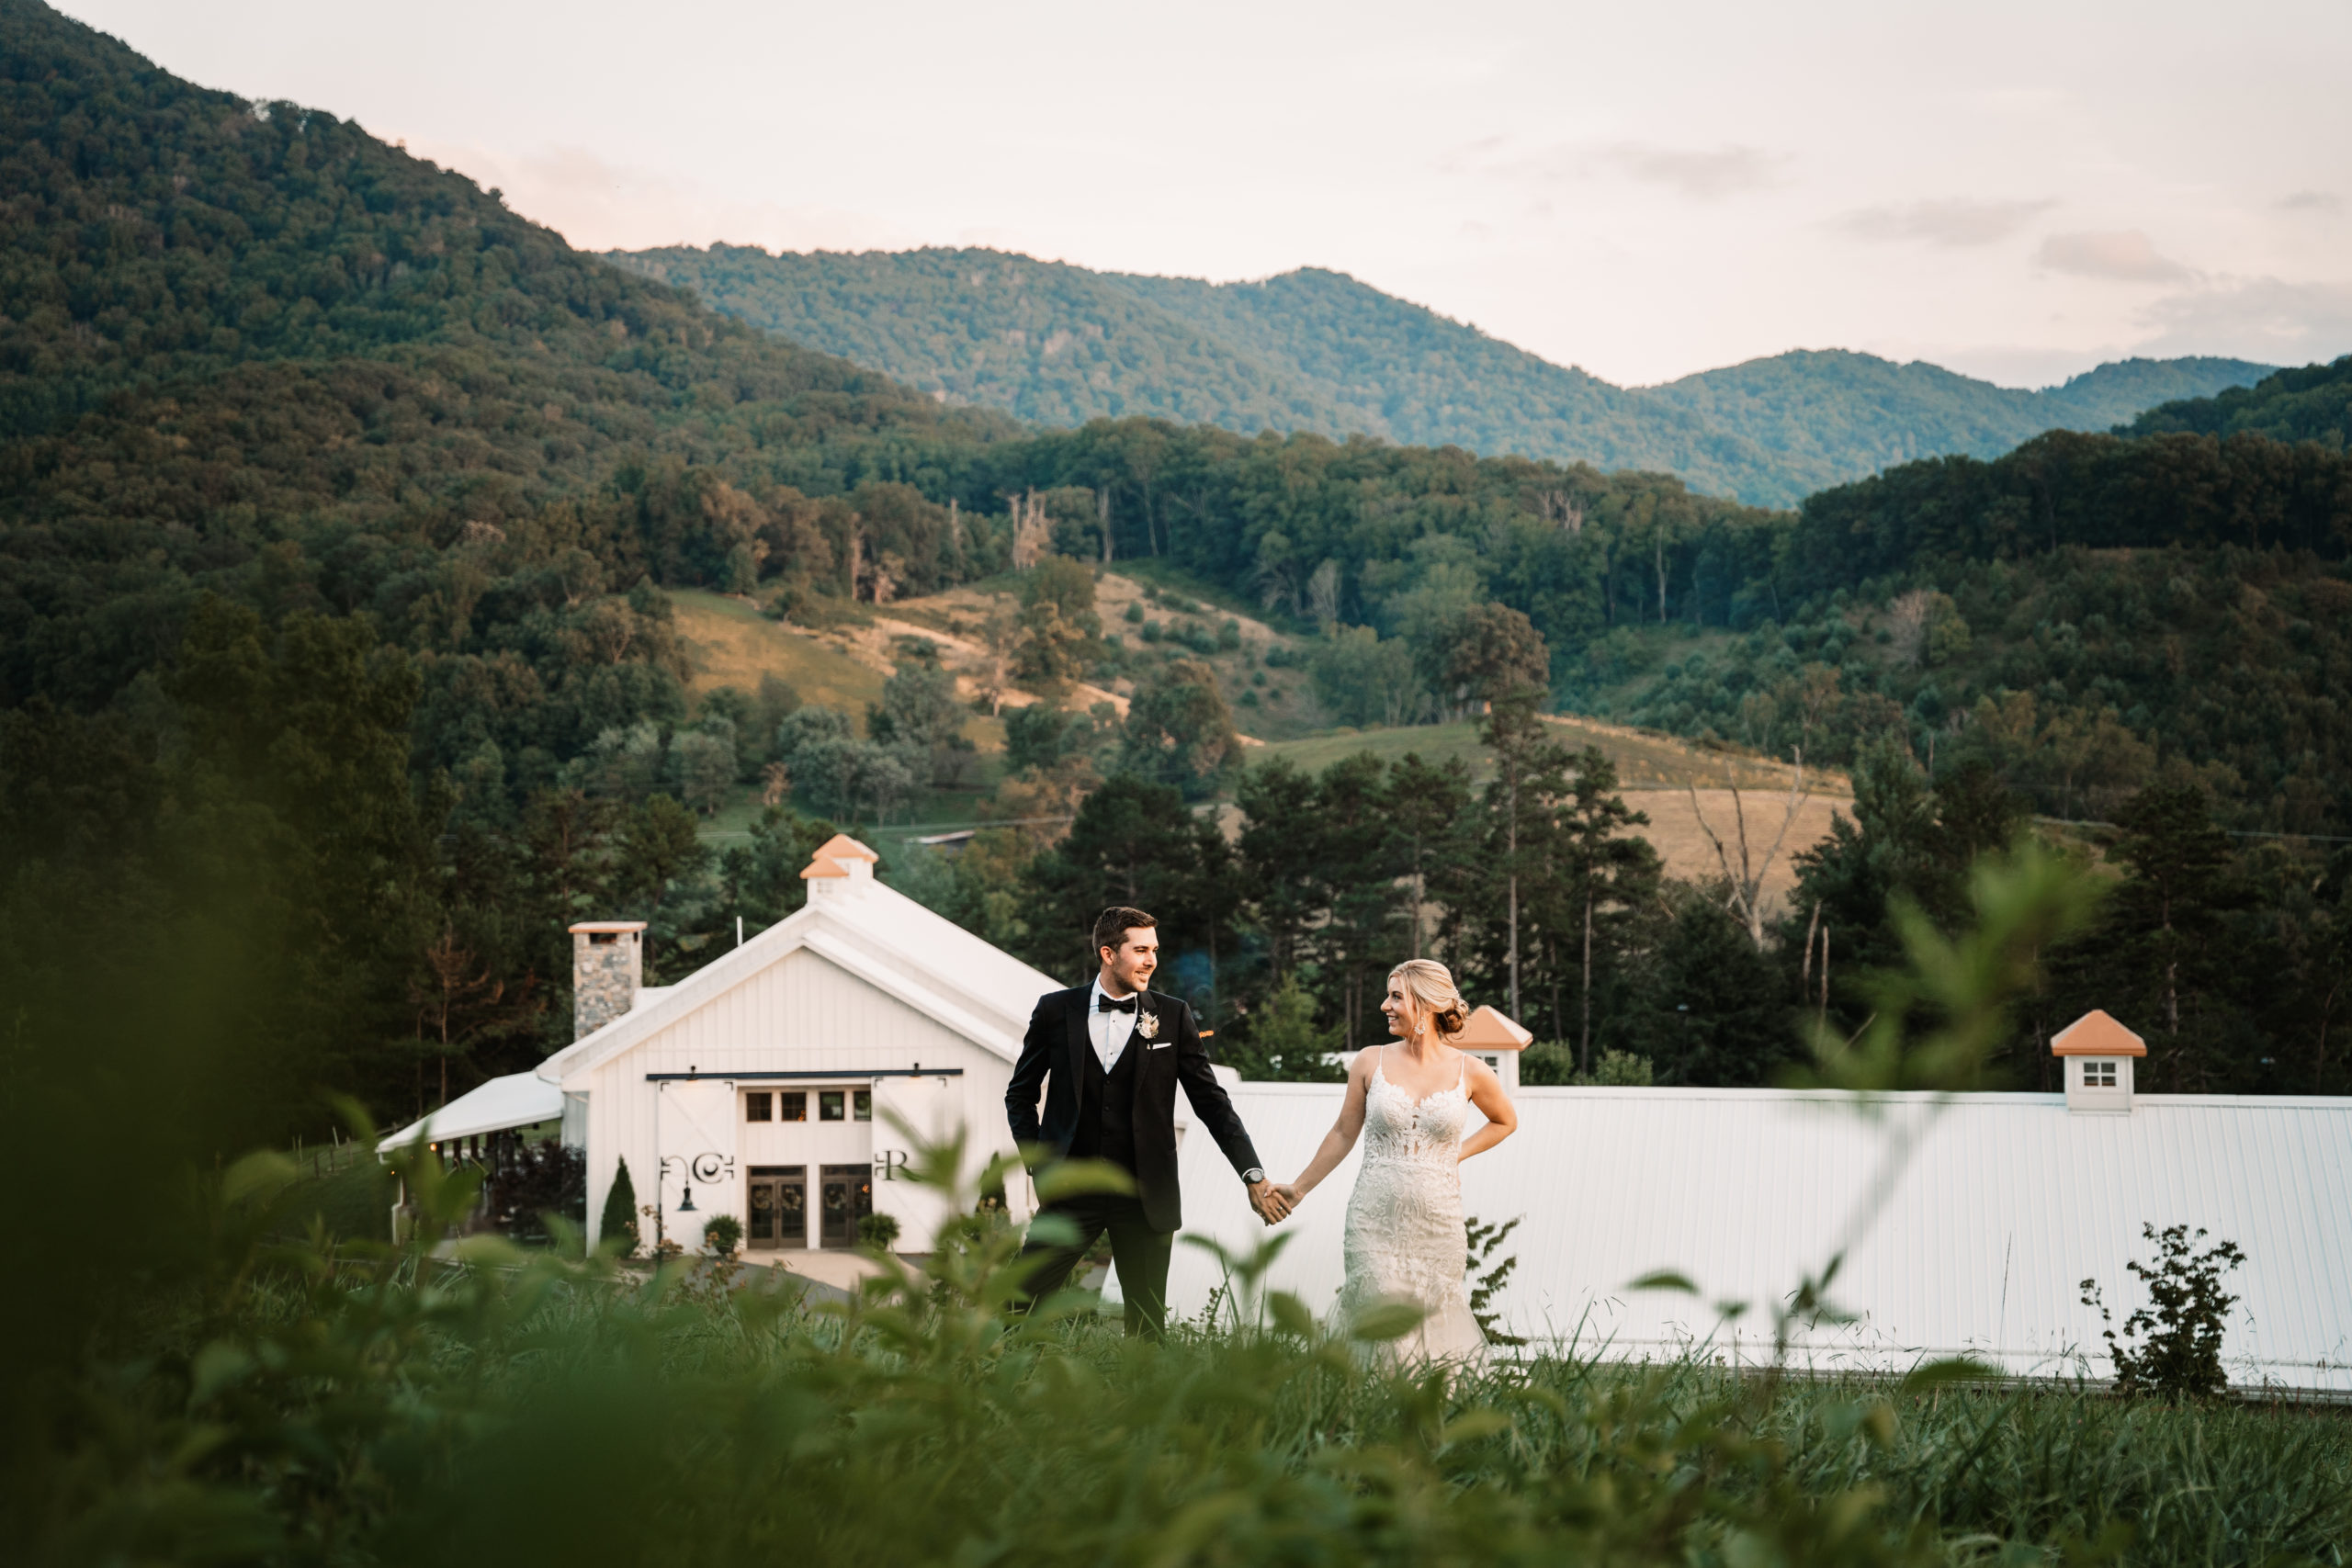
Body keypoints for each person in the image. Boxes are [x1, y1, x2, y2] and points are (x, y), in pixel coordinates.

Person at [1006, 905, 1288, 1337]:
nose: (1152, 960)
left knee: (1146, 1328)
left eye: (1154, 950)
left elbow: (1211, 1102)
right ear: (1107, 953)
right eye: (1140, 950)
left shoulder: (1173, 1016)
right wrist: (1038, 1162)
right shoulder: (1054, 1011)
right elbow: (1020, 1094)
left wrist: (1252, 1173)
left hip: (1145, 1195)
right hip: (1070, 1190)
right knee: (1015, 1304)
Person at [1273, 959, 1519, 1363]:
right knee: (1380, 1318)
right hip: (1374, 1219)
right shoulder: (1371, 1061)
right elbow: (1342, 1133)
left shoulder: (1471, 1071)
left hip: (1438, 1223)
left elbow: (1505, 1121)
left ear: (1427, 1004)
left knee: (1434, 1323)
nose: (1384, 1005)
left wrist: (1453, 1156)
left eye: (1395, 996)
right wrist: (1298, 1189)